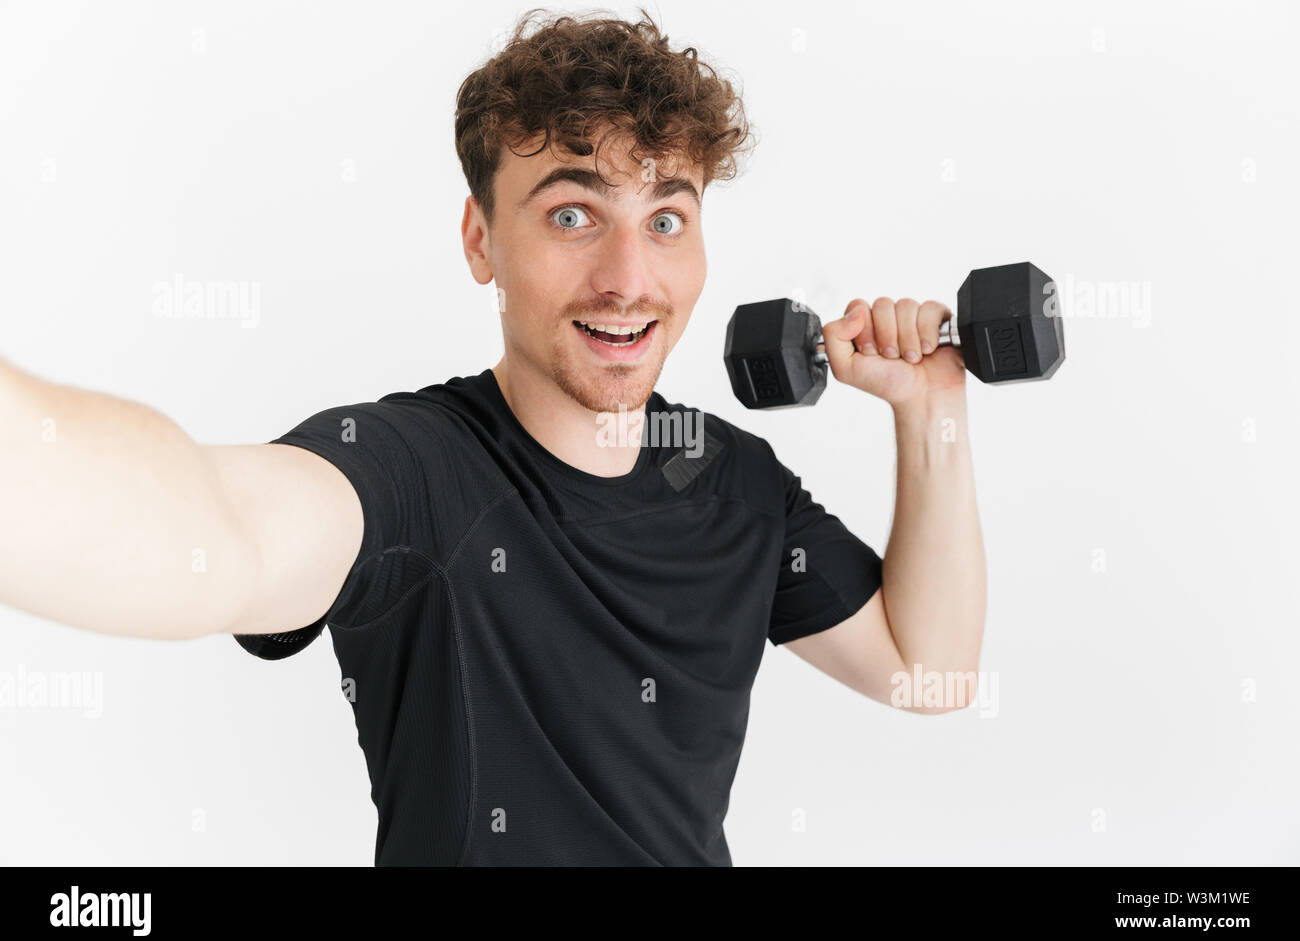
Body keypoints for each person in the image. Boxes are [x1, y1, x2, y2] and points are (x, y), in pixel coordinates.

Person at [0, 7, 985, 866]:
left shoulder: (733, 480)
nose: (628, 277)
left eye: (667, 220)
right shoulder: (412, 466)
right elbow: (215, 532)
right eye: (571, 212)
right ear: (481, 241)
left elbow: (925, 666)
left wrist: (930, 406)